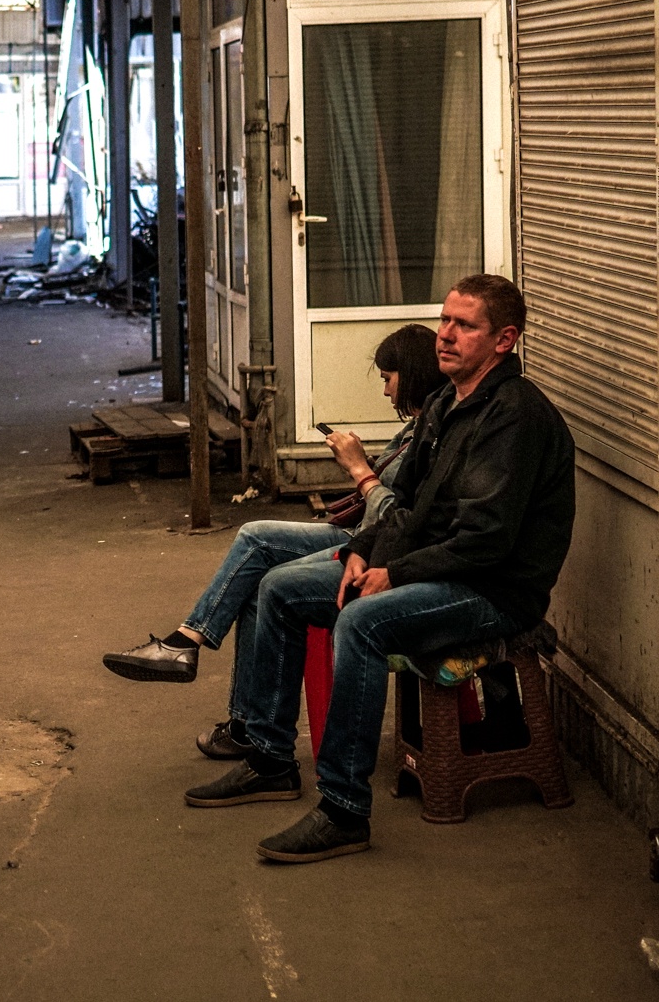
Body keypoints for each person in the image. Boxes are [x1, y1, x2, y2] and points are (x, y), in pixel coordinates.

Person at [183, 274, 575, 864]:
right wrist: (365, 549)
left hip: (493, 590)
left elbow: (486, 544)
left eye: (464, 326)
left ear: (504, 340)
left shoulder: (514, 419)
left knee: (362, 624)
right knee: (279, 588)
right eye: (444, 320)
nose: (444, 336)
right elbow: (404, 500)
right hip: (437, 568)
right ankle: (269, 760)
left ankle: (343, 809)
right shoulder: (446, 403)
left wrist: (394, 575)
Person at [100, 323, 447, 759]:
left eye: (388, 379)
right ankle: (229, 703)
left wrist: (362, 471)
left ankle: (199, 661)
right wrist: (364, 465)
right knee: (254, 548)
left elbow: (399, 518)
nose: (385, 392)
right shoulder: (418, 425)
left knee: (261, 560)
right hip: (363, 536)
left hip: (374, 546)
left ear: (411, 374)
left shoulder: (435, 431)